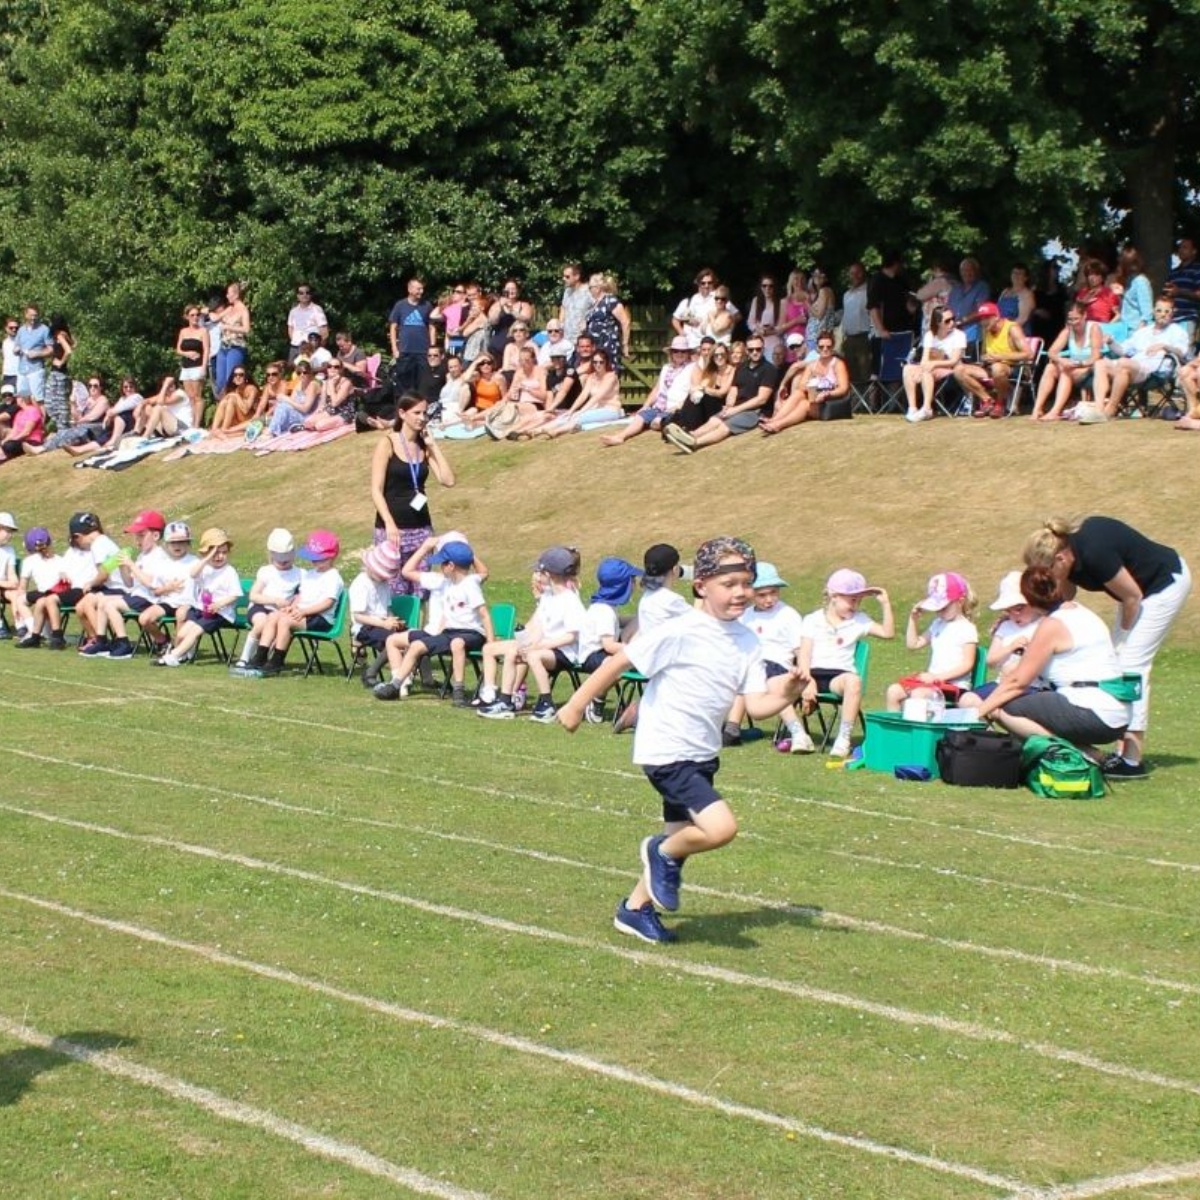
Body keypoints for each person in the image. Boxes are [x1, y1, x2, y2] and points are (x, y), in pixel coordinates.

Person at [558, 536, 806, 944]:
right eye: (730, 584)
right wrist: (575, 705)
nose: (741, 592)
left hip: (703, 752)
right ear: (701, 585)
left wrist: (789, 693)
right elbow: (622, 660)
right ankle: (659, 851)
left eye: (747, 583)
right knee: (719, 829)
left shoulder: (747, 641)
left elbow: (757, 706)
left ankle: (635, 909)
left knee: (682, 838)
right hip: (668, 750)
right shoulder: (681, 629)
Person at [1023, 516, 1190, 778]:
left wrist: (1122, 641)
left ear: (1061, 559)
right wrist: (1029, 619)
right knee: (1117, 663)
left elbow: (1132, 597)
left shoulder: (1094, 553)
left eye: (1047, 574)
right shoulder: (1066, 556)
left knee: (1131, 665)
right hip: (1136, 593)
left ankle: (1132, 760)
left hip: (1165, 583)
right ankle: (1121, 751)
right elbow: (1064, 597)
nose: (1046, 580)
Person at [969, 567, 1130, 752]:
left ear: (1029, 601)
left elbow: (1017, 683)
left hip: (1093, 712)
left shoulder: (1052, 625)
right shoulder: (1080, 611)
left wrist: (977, 713)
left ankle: (1084, 754)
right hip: (1119, 713)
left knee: (1006, 707)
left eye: (1019, 607)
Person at [374, 537, 492, 705]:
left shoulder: (471, 583)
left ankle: (458, 692)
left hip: (471, 633)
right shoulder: (447, 583)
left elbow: (484, 614)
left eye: (442, 563)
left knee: (457, 643)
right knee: (416, 645)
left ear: (451, 566)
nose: (440, 566)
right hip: (449, 632)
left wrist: (491, 641)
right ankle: (395, 685)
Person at [478, 545, 586, 723]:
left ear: (548, 575)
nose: (537, 575)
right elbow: (539, 624)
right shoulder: (548, 596)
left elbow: (571, 636)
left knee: (534, 656)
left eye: (539, 572)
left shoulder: (570, 600)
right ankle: (505, 701)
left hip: (565, 652)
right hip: (546, 647)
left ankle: (546, 703)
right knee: (513, 652)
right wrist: (525, 642)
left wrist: (539, 646)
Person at [797, 568, 895, 758]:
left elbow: (888, 633)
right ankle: (797, 733)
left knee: (854, 681)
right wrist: (807, 681)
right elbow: (804, 654)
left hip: (838, 678)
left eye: (859, 601)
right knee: (780, 677)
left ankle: (843, 738)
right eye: (852, 600)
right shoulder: (812, 620)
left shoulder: (859, 620)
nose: (856, 605)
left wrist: (885, 604)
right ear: (833, 596)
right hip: (812, 675)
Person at [369, 391, 455, 594]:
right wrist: (389, 523)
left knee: (421, 591)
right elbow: (376, 490)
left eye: (424, 413)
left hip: (421, 529)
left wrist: (433, 446)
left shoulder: (423, 446)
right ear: (402, 413)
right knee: (393, 590)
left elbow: (448, 481)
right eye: (416, 413)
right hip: (393, 529)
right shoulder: (388, 443)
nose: (422, 418)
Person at [723, 561, 805, 749]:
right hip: (752, 664)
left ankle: (798, 733)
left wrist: (804, 673)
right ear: (751, 593)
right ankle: (730, 729)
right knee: (742, 673)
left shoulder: (787, 615)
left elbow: (800, 649)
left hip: (778, 668)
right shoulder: (745, 615)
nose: (769, 599)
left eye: (773, 593)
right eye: (762, 595)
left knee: (756, 677)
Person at [241, 529, 344, 677]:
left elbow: (328, 603)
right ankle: (260, 655)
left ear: (332, 557)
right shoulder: (310, 574)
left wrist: (304, 611)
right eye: (313, 559)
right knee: (274, 616)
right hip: (303, 614)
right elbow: (301, 596)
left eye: (320, 559)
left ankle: (277, 660)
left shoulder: (333, 577)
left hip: (320, 618)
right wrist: (291, 608)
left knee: (285, 622)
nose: (315, 562)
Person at [664, 335, 778, 452]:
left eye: (758, 349)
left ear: (763, 349)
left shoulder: (769, 369)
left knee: (725, 426)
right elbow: (734, 389)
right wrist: (729, 406)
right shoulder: (741, 367)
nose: (755, 352)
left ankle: (695, 443)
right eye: (751, 349)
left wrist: (735, 410)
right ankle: (690, 435)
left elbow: (761, 399)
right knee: (715, 420)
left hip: (755, 412)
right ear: (746, 351)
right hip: (737, 407)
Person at [885, 572, 979, 711]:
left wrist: (937, 677)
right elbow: (913, 644)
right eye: (937, 608)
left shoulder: (967, 629)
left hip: (955, 687)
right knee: (893, 691)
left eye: (943, 608)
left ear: (960, 601)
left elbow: (967, 664)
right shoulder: (937, 624)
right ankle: (895, 725)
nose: (939, 612)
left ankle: (917, 726)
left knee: (919, 694)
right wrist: (913, 619)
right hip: (932, 683)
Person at [154, 527, 242, 668]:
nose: (219, 556)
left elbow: (235, 595)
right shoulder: (205, 568)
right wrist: (207, 558)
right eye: (215, 553)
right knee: (182, 633)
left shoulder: (229, 572)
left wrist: (219, 604)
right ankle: (182, 654)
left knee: (194, 632)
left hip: (219, 613)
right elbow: (193, 573)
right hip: (201, 609)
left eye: (224, 552)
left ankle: (173, 656)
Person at [958, 571, 1047, 708]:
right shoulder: (1005, 627)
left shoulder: (1043, 625)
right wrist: (1010, 647)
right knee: (966, 700)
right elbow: (990, 661)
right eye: (1008, 611)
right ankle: (988, 718)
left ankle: (991, 712)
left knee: (1014, 705)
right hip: (1001, 683)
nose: (1014, 615)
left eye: (1019, 609)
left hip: (1031, 686)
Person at [1091, 297, 1189, 419]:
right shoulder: (1143, 332)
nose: (1162, 314)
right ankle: (1099, 409)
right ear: (1154, 312)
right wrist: (1111, 342)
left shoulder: (1177, 331)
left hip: (1155, 372)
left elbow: (1182, 353)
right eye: (1159, 311)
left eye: (1166, 311)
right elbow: (1123, 350)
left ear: (1172, 312)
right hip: (1134, 366)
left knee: (1123, 364)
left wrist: (1165, 346)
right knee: (1100, 364)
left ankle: (1111, 408)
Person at [95, 509, 173, 660]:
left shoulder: (159, 556)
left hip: (150, 599)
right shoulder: (142, 556)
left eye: (142, 535)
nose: (137, 540)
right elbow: (129, 583)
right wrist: (122, 566)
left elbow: (150, 583)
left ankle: (123, 643)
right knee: (102, 601)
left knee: (111, 605)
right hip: (137, 595)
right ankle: (100, 640)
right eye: (136, 536)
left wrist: (131, 565)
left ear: (156, 536)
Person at [575, 556, 642, 722]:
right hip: (593, 655)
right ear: (622, 586)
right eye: (632, 581)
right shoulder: (604, 611)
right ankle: (596, 698)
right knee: (617, 666)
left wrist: (641, 619)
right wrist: (636, 649)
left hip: (602, 651)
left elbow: (618, 622)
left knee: (639, 620)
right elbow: (609, 646)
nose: (635, 585)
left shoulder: (607, 607)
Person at [601, 336, 693, 446]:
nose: (679, 354)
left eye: (683, 351)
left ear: (688, 353)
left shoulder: (692, 368)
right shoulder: (666, 367)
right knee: (640, 416)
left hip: (675, 408)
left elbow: (692, 391)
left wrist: (678, 406)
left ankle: (667, 426)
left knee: (656, 423)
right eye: (676, 351)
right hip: (659, 406)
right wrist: (645, 405)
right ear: (671, 353)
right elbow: (657, 388)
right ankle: (620, 436)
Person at [235, 527, 301, 671]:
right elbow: (254, 596)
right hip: (261, 607)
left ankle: (265, 658)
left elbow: (300, 596)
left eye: (286, 559)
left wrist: (291, 607)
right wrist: (274, 600)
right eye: (279, 559)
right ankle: (244, 658)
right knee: (262, 623)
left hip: (280, 613)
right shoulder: (266, 572)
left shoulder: (300, 574)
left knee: (279, 625)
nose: (283, 562)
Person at [954, 301, 1032, 417]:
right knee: (959, 370)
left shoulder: (1012, 328)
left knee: (997, 368)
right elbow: (985, 354)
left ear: (996, 317)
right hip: (991, 367)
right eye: (981, 319)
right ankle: (987, 400)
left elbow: (1029, 354)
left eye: (987, 318)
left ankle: (1000, 404)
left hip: (1013, 367)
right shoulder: (986, 330)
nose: (983, 322)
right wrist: (984, 358)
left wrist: (999, 357)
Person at [761, 332, 849, 433]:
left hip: (832, 403)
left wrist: (827, 393)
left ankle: (778, 425)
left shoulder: (837, 364)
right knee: (799, 393)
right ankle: (774, 419)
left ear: (832, 347)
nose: (825, 349)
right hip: (816, 400)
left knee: (805, 404)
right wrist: (812, 386)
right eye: (821, 347)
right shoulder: (812, 365)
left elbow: (843, 388)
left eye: (828, 347)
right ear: (817, 348)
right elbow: (801, 386)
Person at [347, 539, 406, 688]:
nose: (382, 578)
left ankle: (427, 679)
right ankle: (370, 673)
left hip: (383, 623)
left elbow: (386, 608)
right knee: (393, 640)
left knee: (414, 636)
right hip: (365, 626)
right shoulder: (361, 584)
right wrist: (383, 623)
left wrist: (393, 619)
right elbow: (358, 616)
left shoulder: (384, 584)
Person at [1030, 301, 1102, 421]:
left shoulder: (1093, 328)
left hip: (1089, 367)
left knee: (1066, 371)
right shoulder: (1068, 330)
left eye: (1076, 319)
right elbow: (1051, 352)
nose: (1073, 322)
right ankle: (1037, 408)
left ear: (1084, 315)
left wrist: (1078, 364)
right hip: (1072, 366)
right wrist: (1061, 360)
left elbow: (1096, 356)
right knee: (1050, 368)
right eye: (1070, 319)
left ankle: (1055, 411)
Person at [12, 525, 72, 650]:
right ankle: (41, 633)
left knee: (21, 600)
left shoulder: (29, 561)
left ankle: (32, 631)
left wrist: (18, 606)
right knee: (40, 600)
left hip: (46, 594)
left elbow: (22, 587)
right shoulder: (60, 559)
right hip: (60, 595)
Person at [902, 305, 965, 422]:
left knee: (927, 372)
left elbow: (954, 361)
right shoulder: (930, 335)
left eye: (953, 319)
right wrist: (923, 368)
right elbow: (924, 360)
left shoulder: (959, 335)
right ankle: (912, 408)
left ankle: (927, 408)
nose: (952, 322)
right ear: (938, 323)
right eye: (947, 321)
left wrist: (933, 364)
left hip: (951, 369)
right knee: (907, 369)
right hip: (932, 368)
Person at [541, 346, 623, 437]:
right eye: (595, 362)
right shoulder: (591, 377)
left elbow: (597, 397)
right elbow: (583, 395)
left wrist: (582, 411)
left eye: (601, 362)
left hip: (611, 409)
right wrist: (572, 410)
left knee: (580, 416)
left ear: (606, 362)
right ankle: (540, 430)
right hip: (596, 408)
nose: (598, 365)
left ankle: (558, 431)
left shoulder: (611, 376)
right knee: (568, 415)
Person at [29, 375, 110, 455]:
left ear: (101, 388)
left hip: (95, 431)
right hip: (84, 429)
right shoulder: (87, 401)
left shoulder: (103, 400)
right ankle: (41, 448)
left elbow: (92, 417)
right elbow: (77, 417)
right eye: (90, 385)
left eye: (95, 386)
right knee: (63, 432)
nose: (92, 388)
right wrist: (73, 403)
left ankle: (41, 449)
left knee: (72, 433)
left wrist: (78, 422)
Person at [387, 278, 437, 393]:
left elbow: (432, 327)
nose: (421, 291)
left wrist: (432, 347)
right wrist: (394, 348)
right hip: (405, 351)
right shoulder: (400, 305)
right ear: (410, 289)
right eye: (418, 289)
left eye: (422, 289)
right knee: (404, 384)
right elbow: (393, 327)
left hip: (423, 351)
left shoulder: (427, 306)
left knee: (423, 383)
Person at [584, 273, 632, 373]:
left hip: (608, 345)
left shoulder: (610, 301)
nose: (589, 290)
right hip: (595, 346)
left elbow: (625, 321)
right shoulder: (594, 303)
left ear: (598, 288)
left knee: (609, 373)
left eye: (590, 287)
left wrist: (625, 344)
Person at [214, 281, 251, 398]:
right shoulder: (229, 308)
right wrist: (207, 311)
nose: (227, 296)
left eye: (229, 293)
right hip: (223, 347)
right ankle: (222, 403)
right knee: (220, 381)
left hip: (235, 348)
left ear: (236, 294)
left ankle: (233, 403)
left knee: (231, 379)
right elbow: (216, 318)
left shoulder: (243, 310)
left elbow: (246, 329)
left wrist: (228, 327)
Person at [175, 304, 210, 427]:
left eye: (197, 315)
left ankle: (196, 424)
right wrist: (187, 353)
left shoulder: (203, 331)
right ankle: (191, 422)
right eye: (192, 315)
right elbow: (178, 350)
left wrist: (204, 367)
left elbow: (206, 350)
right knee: (190, 397)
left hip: (197, 366)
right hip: (186, 367)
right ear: (187, 317)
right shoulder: (183, 331)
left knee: (197, 396)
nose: (195, 317)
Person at [946, 257, 991, 351]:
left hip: (972, 333)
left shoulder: (982, 287)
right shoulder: (956, 289)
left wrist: (960, 321)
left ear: (976, 271)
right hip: (954, 333)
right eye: (964, 270)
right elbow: (948, 309)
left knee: (970, 357)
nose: (967, 273)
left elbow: (981, 310)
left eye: (970, 270)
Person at [486, 279, 535, 362]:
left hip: (516, 342)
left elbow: (526, 319)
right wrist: (500, 306)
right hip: (497, 343)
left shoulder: (524, 305)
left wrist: (511, 310)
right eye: (508, 289)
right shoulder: (496, 305)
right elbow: (492, 321)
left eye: (513, 289)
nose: (510, 291)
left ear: (518, 291)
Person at [267, 358, 320, 434]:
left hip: (308, 416)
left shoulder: (313, 385)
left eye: (305, 372)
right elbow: (291, 402)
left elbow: (305, 409)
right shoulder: (299, 385)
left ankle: (271, 431)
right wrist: (284, 400)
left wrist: (286, 398)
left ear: (310, 372)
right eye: (299, 373)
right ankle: (273, 429)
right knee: (282, 405)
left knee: (283, 406)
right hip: (299, 415)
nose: (302, 375)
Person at [671, 268, 719, 351]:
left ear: (714, 283)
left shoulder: (719, 299)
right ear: (698, 283)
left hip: (711, 346)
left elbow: (736, 316)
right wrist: (682, 332)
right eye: (703, 283)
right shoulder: (688, 301)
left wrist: (720, 325)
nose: (706, 285)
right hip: (691, 345)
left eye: (709, 283)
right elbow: (675, 320)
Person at [1164, 236, 1200, 343]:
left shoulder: (1197, 270)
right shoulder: (1173, 272)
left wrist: (1179, 292)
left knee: (1184, 348)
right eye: (1180, 247)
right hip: (1171, 318)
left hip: (1187, 318)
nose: (1181, 250)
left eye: (1185, 247)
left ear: (1194, 251)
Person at [302, 358, 356, 431]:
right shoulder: (326, 382)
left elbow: (335, 403)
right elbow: (322, 403)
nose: (332, 369)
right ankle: (322, 423)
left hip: (345, 413)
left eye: (336, 367)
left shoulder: (346, 383)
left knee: (320, 425)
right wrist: (319, 410)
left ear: (341, 369)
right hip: (331, 411)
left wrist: (331, 385)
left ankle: (339, 422)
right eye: (329, 366)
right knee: (307, 422)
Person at [840, 261, 871, 383]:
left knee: (865, 373)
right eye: (852, 273)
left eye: (858, 272)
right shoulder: (846, 295)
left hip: (863, 337)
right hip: (849, 338)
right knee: (850, 374)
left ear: (863, 273)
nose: (855, 276)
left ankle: (868, 396)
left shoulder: (869, 292)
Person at [43, 314, 75, 432]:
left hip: (58, 372)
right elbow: (74, 345)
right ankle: (62, 427)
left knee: (56, 402)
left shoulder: (59, 335)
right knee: (56, 402)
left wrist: (61, 362)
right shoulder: (64, 334)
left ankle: (63, 429)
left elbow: (69, 351)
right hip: (60, 373)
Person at [14, 306, 52, 403]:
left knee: (38, 400)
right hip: (22, 370)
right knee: (22, 400)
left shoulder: (44, 329)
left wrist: (37, 354)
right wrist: (16, 350)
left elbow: (51, 350)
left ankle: (41, 414)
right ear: (25, 315)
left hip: (36, 370)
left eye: (35, 315)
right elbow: (16, 346)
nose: (33, 318)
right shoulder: (21, 330)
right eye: (31, 315)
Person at [210, 366, 262, 435]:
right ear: (233, 378)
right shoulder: (235, 389)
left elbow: (245, 410)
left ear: (246, 377)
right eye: (235, 375)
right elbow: (222, 405)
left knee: (232, 400)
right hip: (239, 418)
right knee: (224, 402)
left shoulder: (251, 389)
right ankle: (214, 429)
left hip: (250, 419)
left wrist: (235, 395)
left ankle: (224, 428)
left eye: (241, 375)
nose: (238, 377)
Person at [0, 390, 46, 463]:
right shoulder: (19, 413)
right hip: (20, 440)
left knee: (9, 445)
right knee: (5, 444)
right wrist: (5, 440)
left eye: (17, 398)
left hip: (32, 441)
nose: (15, 400)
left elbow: (27, 432)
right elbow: (14, 431)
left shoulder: (32, 410)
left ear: (22, 399)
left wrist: (14, 439)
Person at [287, 284, 328, 363]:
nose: (304, 295)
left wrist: (318, 349)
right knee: (292, 369)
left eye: (307, 292)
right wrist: (296, 341)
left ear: (311, 295)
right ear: (297, 296)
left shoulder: (317, 309)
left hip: (311, 348)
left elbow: (324, 332)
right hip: (295, 347)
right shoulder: (293, 311)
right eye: (301, 293)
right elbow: (290, 329)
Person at [745, 276, 780, 361]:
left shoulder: (779, 303)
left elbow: (781, 326)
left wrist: (770, 330)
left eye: (770, 286)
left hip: (773, 339)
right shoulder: (756, 301)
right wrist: (758, 329)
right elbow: (750, 322)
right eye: (764, 286)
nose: (767, 289)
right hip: (757, 338)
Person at [1074, 260, 1120, 325]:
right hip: (1083, 326)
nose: (1092, 277)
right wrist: (1082, 303)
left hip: (1100, 326)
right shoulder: (1082, 292)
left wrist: (1107, 327)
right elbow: (1074, 313)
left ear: (1102, 277)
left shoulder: (1109, 293)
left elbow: (1118, 315)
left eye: (1096, 274)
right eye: (1090, 274)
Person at [559, 262, 593, 343]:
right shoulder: (567, 291)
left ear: (577, 276)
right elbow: (563, 307)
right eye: (563, 276)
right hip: (567, 337)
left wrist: (587, 322)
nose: (564, 279)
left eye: (567, 277)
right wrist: (561, 324)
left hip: (582, 338)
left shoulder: (588, 291)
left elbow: (596, 307)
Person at [996, 263, 1036, 331]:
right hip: (1000, 329)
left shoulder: (1027, 294)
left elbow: (1023, 319)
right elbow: (997, 310)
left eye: (1019, 273)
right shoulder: (1005, 291)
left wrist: (1005, 331)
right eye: (1014, 273)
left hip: (1017, 332)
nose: (1016, 275)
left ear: (1026, 278)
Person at [806, 267, 837, 351]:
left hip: (818, 336)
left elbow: (820, 315)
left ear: (826, 278)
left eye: (820, 275)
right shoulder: (825, 291)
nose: (817, 277)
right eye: (815, 275)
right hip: (820, 335)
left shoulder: (824, 291)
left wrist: (808, 304)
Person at [0, 511, 18, 638]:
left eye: (11, 532)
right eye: (8, 531)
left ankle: (21, 627)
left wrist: (13, 583)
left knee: (17, 594)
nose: (10, 535)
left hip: (3, 587)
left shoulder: (9, 550)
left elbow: (12, 577)